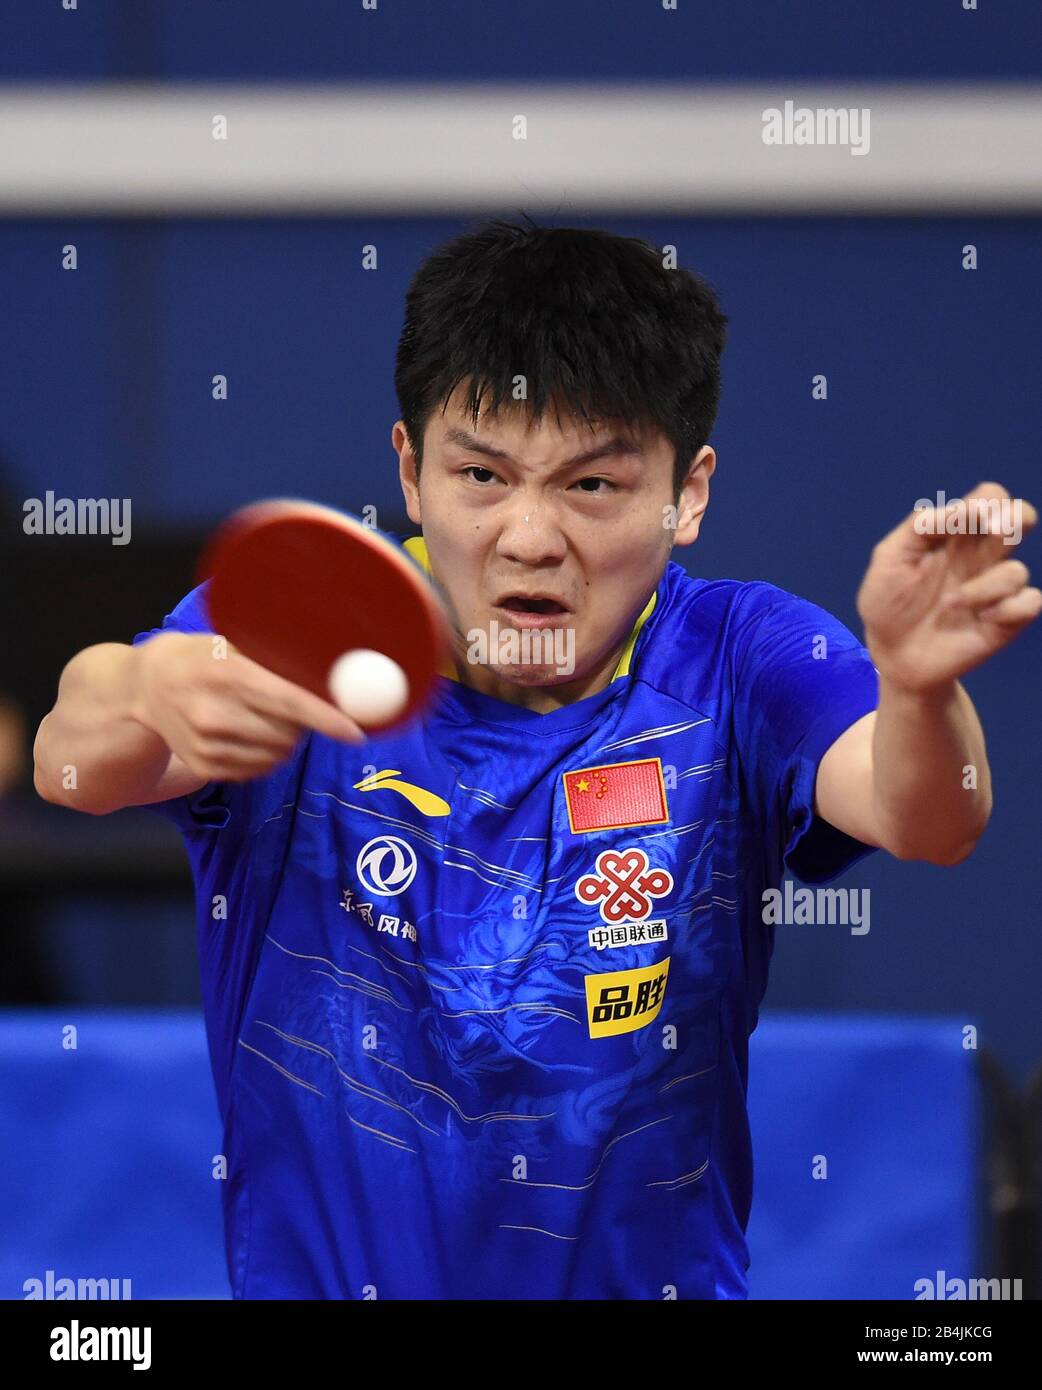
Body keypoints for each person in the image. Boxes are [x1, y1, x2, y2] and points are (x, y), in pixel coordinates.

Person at [33, 219, 1039, 1300]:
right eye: (481, 474)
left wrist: (919, 687)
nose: (527, 536)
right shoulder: (304, 637)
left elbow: (933, 817)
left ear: (685, 493)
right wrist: (143, 689)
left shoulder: (745, 659)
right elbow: (71, 763)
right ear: (411, 471)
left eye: (592, 487)